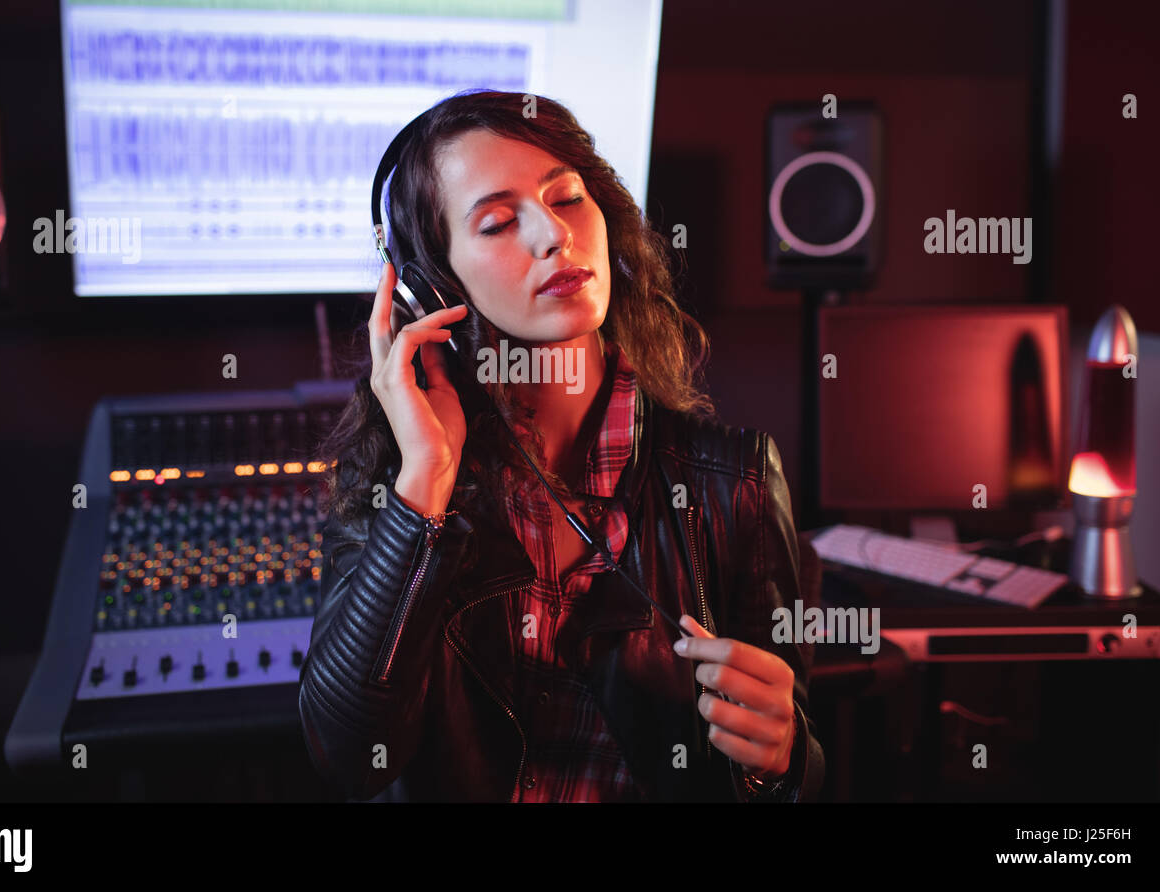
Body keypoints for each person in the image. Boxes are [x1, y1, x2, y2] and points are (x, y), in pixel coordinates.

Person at [298, 89, 824, 802]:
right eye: (497, 222)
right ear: (433, 287)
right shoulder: (396, 485)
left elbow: (796, 769)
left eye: (568, 197)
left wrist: (781, 760)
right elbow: (349, 755)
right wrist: (425, 479)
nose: (553, 234)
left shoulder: (735, 480)